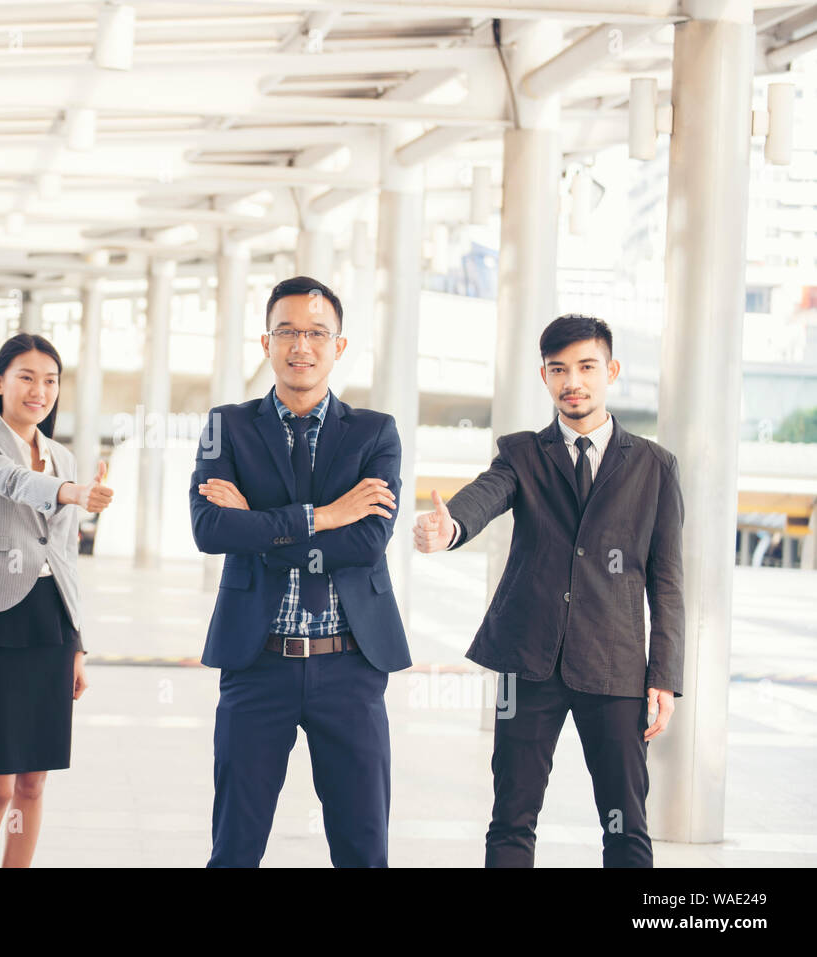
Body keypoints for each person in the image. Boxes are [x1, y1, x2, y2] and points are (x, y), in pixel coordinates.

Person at [412, 314, 685, 867]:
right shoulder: (521, 454)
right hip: (527, 661)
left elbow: (667, 579)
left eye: (586, 367)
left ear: (611, 370)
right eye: (559, 369)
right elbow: (484, 497)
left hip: (616, 666)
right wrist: (451, 527)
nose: (573, 382)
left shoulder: (654, 465)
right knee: (512, 818)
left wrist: (665, 677)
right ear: (544, 376)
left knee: (626, 823)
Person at [190, 276, 409, 867]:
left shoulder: (374, 432)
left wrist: (261, 527)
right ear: (266, 343)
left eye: (316, 333)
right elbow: (210, 530)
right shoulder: (226, 427)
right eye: (287, 331)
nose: (301, 345)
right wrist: (327, 515)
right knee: (235, 846)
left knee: (363, 849)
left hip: (351, 666)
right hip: (256, 661)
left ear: (339, 346)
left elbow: (368, 541)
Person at [0, 332, 113, 868]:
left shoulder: (62, 454)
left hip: (51, 621)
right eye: (26, 377)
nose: (39, 390)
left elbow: (65, 555)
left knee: (34, 784)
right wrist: (68, 491)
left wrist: (79, 645)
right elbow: (10, 480)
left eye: (50, 380)